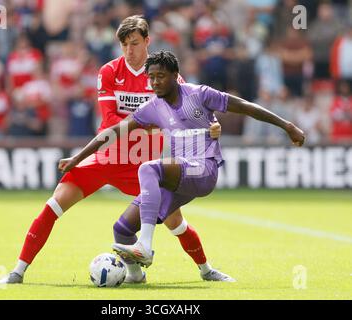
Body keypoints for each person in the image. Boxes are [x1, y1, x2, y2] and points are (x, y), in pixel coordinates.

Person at [0, 16, 221, 285]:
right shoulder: (109, 72)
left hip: (144, 165)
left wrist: (211, 123)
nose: (129, 50)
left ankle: (206, 270)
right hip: (107, 157)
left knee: (175, 222)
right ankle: (18, 271)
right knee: (54, 204)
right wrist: (151, 123)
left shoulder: (165, 77)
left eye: (135, 43)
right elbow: (110, 119)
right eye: (124, 44)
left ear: (147, 41)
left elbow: (189, 112)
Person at [58, 51, 305, 279]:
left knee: (148, 168)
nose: (154, 82)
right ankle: (141, 276)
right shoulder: (152, 108)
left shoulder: (199, 94)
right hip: (179, 177)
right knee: (122, 229)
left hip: (203, 170)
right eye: (151, 77)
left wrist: (288, 126)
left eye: (160, 76)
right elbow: (112, 132)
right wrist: (78, 158)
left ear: (176, 76)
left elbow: (245, 107)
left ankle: (145, 244)